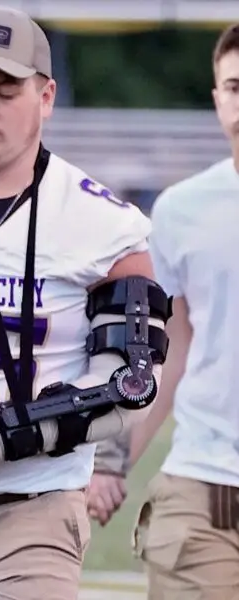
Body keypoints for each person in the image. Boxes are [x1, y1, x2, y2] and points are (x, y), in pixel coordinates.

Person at [0, 6, 171, 599]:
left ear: (46, 95)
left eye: (6, 90)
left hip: (27, 510)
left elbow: (130, 384)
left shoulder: (104, 226)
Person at [128, 22, 239, 597]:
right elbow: (175, 343)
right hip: (204, 480)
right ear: (218, 98)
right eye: (236, 87)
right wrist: (114, 462)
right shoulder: (181, 210)